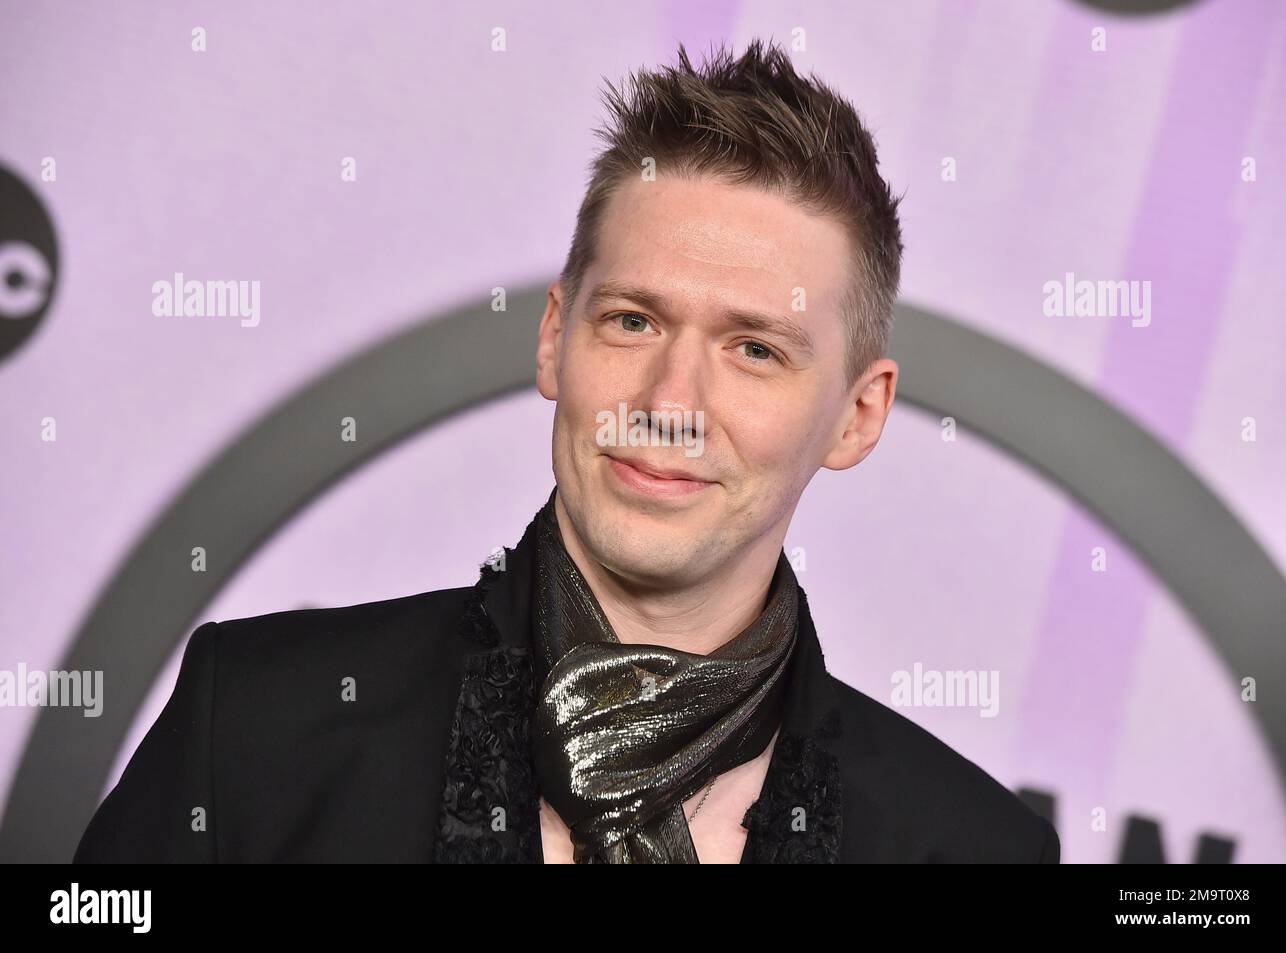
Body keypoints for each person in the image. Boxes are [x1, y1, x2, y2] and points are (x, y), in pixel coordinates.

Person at [74, 39, 1059, 864]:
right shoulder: (255, 728)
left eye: (754, 349)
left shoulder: (972, 846)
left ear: (857, 413)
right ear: (554, 337)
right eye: (632, 321)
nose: (670, 402)